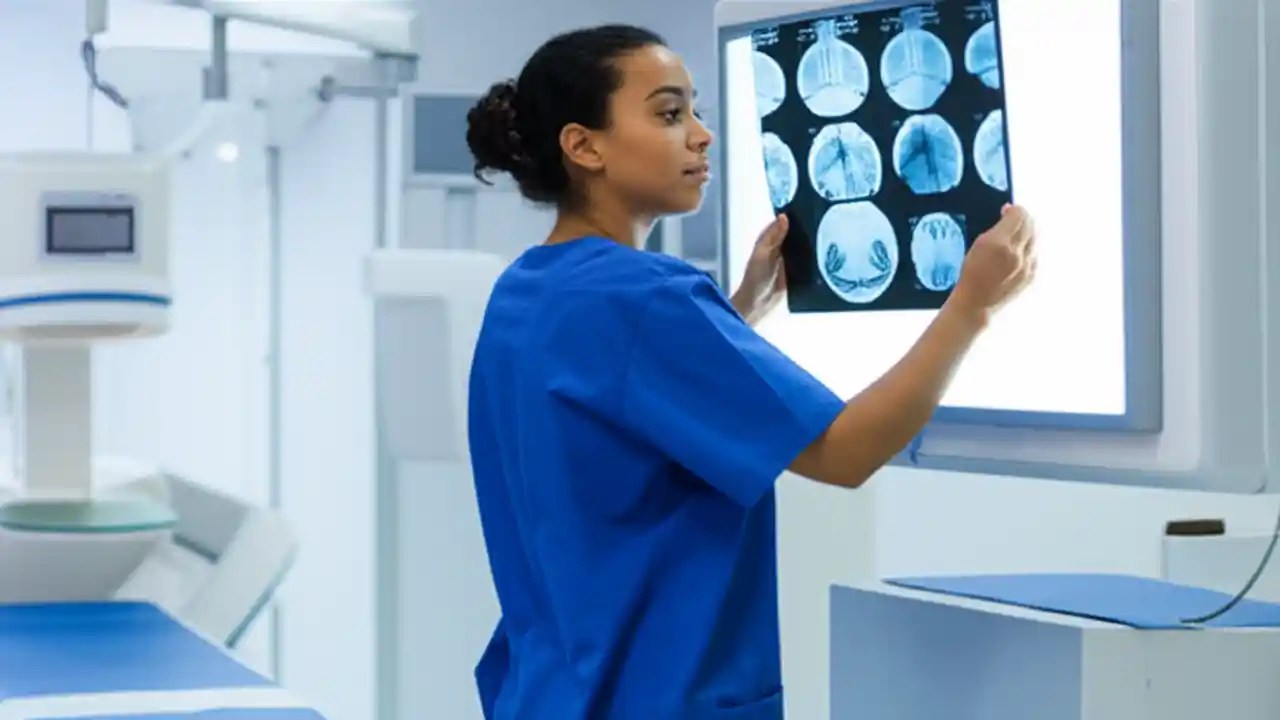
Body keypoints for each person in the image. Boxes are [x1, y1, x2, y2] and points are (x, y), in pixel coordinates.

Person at [463, 24, 1036, 720]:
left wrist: (739, 312)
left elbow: (626, 419)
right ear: (585, 146)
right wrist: (971, 306)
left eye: (696, 111)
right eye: (669, 114)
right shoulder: (649, 298)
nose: (702, 135)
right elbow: (845, 453)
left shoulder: (527, 290)